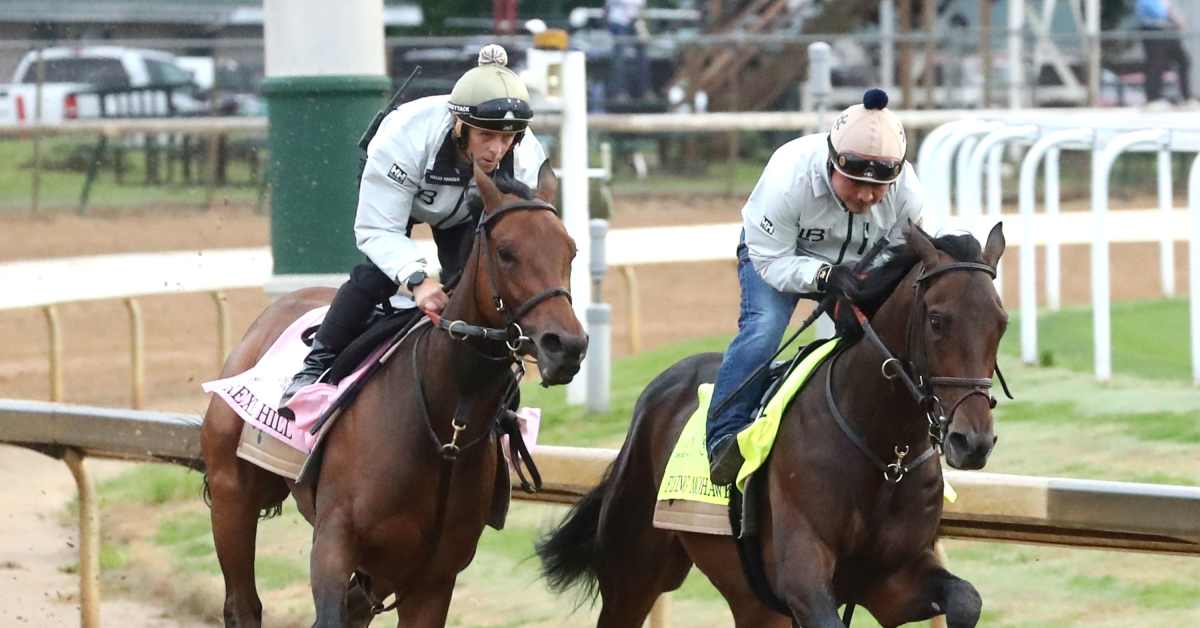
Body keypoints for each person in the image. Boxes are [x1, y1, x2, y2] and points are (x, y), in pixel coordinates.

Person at [279, 44, 552, 406]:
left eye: (506, 138)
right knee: (376, 276)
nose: (496, 150)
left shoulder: (524, 155)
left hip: (463, 210)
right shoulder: (405, 138)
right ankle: (316, 366)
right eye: (485, 136)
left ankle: (490, 382)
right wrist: (419, 281)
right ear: (459, 125)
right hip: (401, 197)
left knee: (473, 281)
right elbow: (378, 231)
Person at [705, 88, 925, 486]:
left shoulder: (907, 193)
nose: (865, 195)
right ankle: (723, 436)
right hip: (777, 256)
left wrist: (864, 281)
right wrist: (824, 277)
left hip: (857, 266)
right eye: (855, 182)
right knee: (764, 328)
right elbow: (770, 261)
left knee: (875, 341)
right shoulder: (788, 177)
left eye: (878, 189)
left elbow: (899, 251)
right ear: (830, 162)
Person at [1137, 0, 1194, 107]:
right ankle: (1153, 99)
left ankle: (1186, 97)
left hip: (1168, 30)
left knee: (1184, 61)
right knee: (1155, 64)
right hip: (1153, 30)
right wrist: (1172, 12)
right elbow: (1159, 12)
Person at [606, 0, 652, 103]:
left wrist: (643, 27)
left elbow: (642, 9)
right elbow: (607, 9)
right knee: (619, 58)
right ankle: (619, 92)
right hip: (618, 22)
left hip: (636, 21)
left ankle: (644, 91)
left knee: (643, 56)